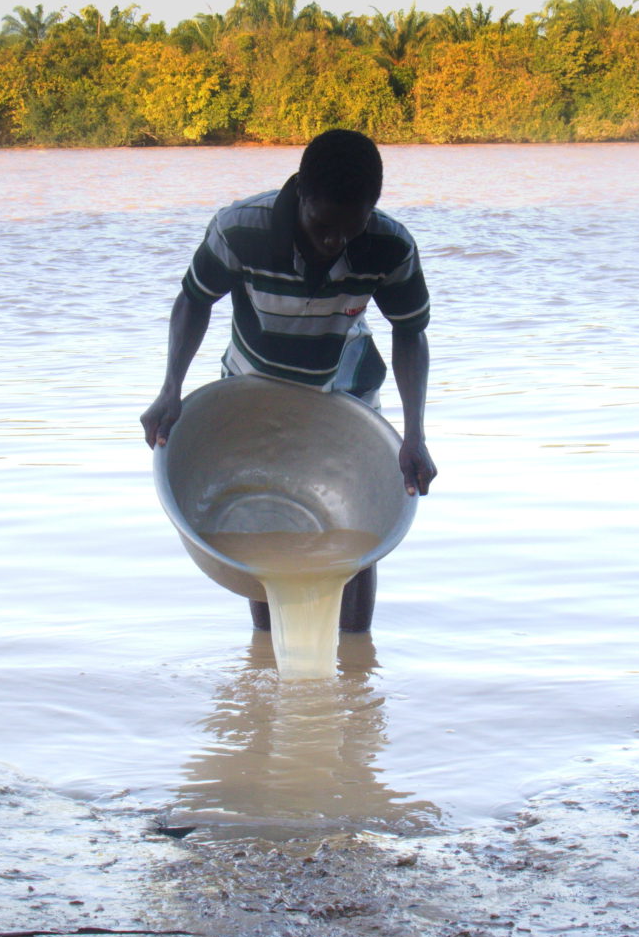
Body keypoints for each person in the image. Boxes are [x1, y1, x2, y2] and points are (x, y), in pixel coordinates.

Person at [140, 128, 436, 632]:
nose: (334, 242)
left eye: (350, 230)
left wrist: (414, 434)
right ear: (300, 192)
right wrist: (170, 386)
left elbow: (410, 333)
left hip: (343, 389)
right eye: (323, 225)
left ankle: (357, 666)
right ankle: (267, 647)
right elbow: (194, 300)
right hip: (253, 386)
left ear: (371, 211)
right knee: (258, 524)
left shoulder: (388, 245)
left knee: (360, 533)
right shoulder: (240, 229)